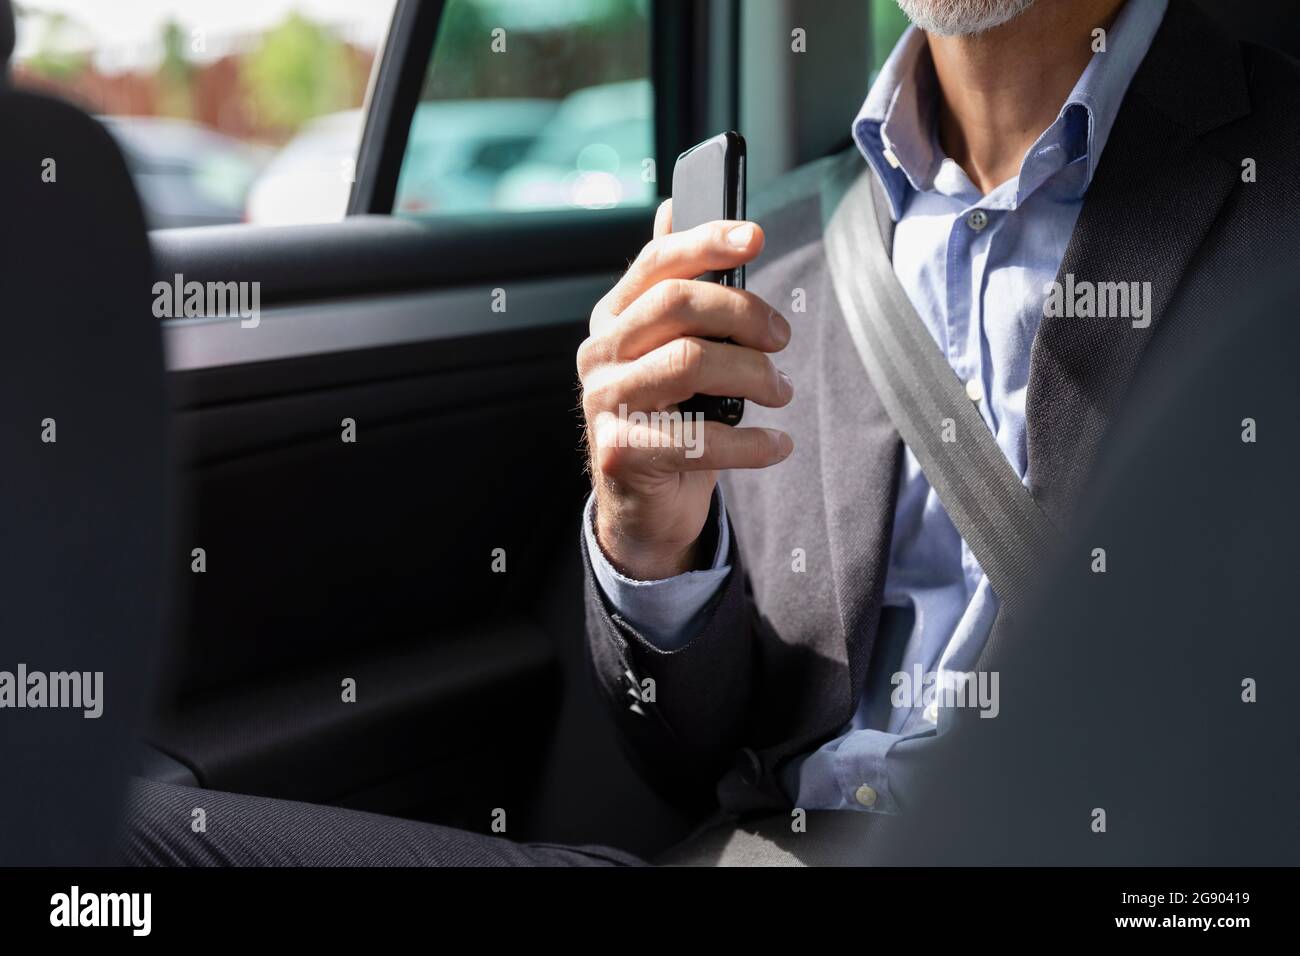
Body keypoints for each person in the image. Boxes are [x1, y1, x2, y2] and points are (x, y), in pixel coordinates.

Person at [124, 0, 1300, 865]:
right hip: (765, 852)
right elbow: (694, 752)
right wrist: (651, 547)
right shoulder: (772, 244)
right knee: (115, 837)